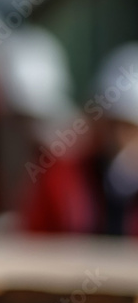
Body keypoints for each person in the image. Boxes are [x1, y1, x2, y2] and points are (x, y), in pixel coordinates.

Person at [19, 41, 138, 236]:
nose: (119, 136)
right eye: (112, 124)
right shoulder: (62, 176)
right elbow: (34, 238)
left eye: (129, 127)